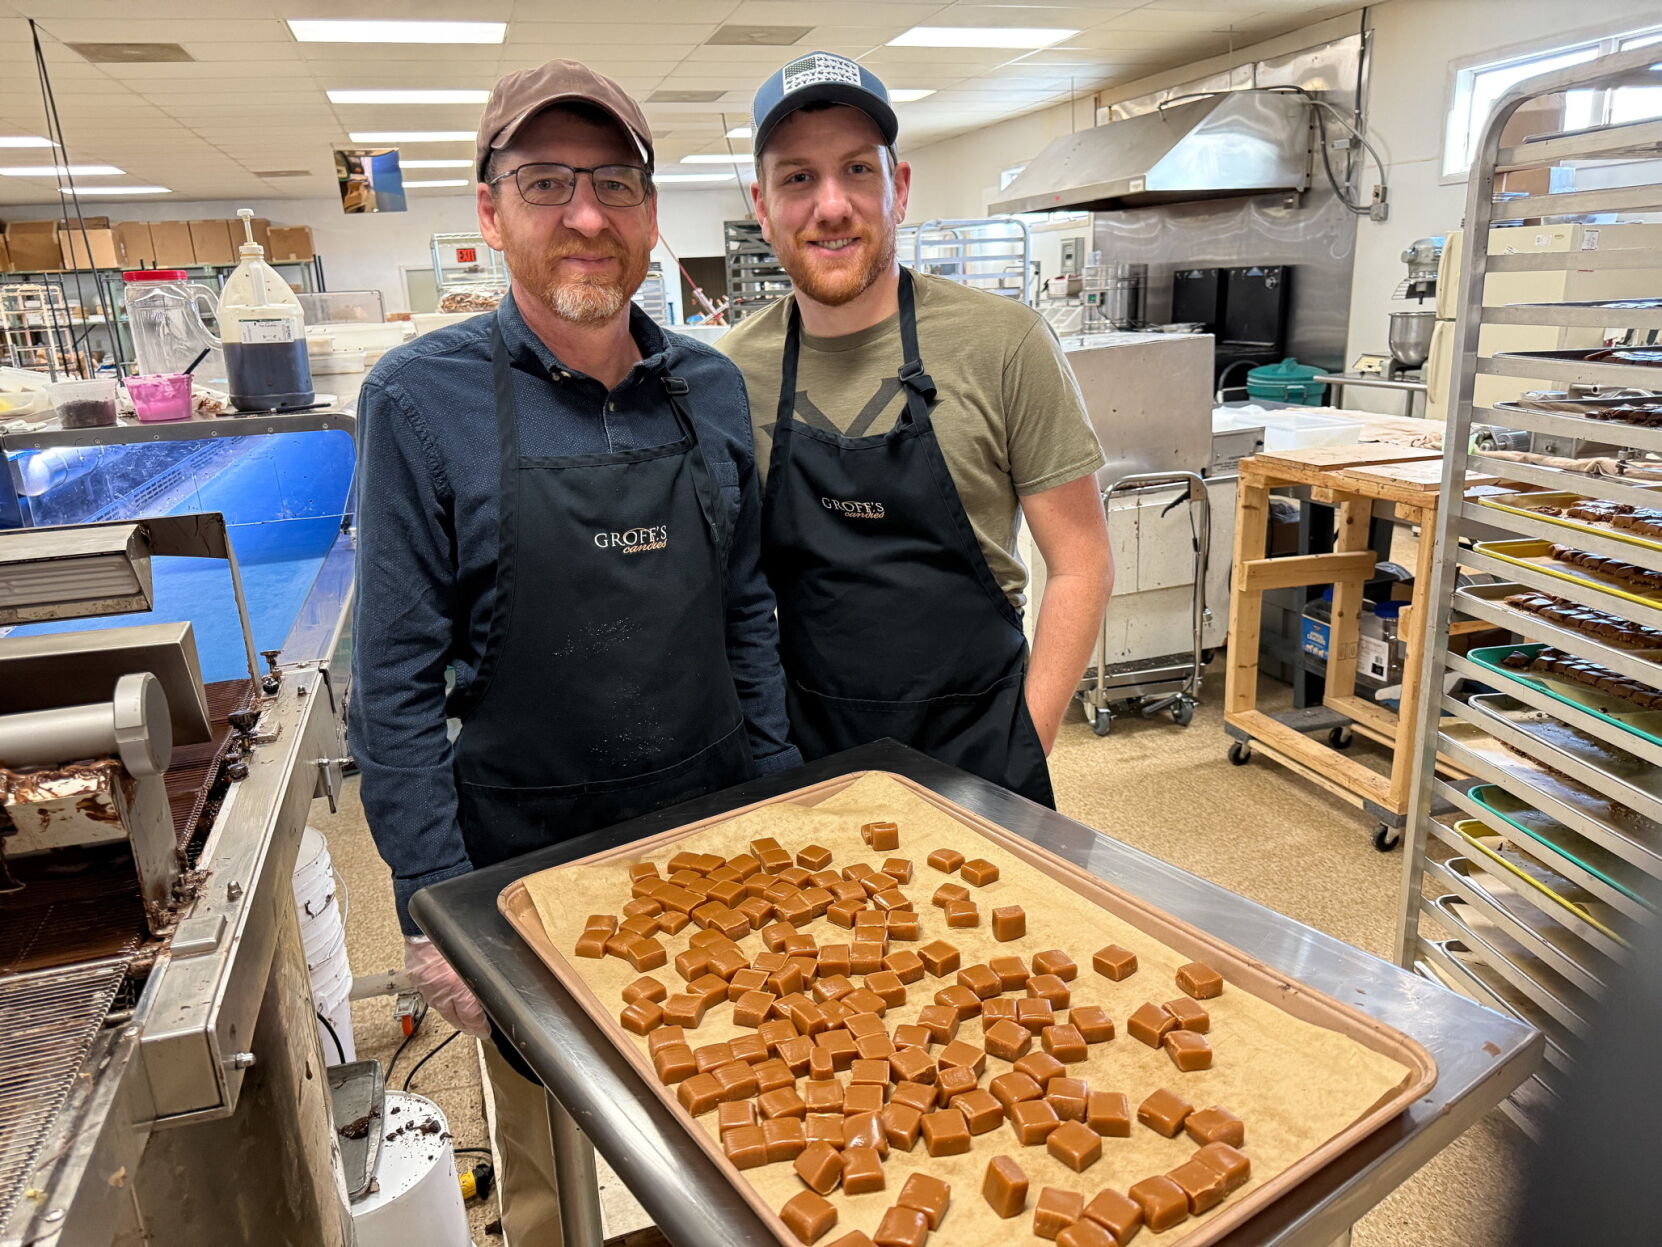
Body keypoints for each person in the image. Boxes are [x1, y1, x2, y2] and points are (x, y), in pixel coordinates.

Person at [350, 61, 799, 1244]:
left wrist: (780, 797)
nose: (587, 216)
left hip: (715, 838)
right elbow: (390, 683)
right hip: (524, 875)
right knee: (554, 1161)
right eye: (545, 182)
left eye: (614, 183)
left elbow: (743, 607)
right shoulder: (415, 400)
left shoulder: (708, 384)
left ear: (652, 213)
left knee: (748, 1118)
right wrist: (436, 912)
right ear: (490, 212)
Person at [719, 52, 1114, 808]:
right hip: (811, 760)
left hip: (982, 750)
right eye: (797, 177)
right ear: (763, 208)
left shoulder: (1005, 343)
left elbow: (1082, 561)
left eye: (858, 171)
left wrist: (1024, 740)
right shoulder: (730, 375)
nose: (831, 204)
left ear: (897, 188)